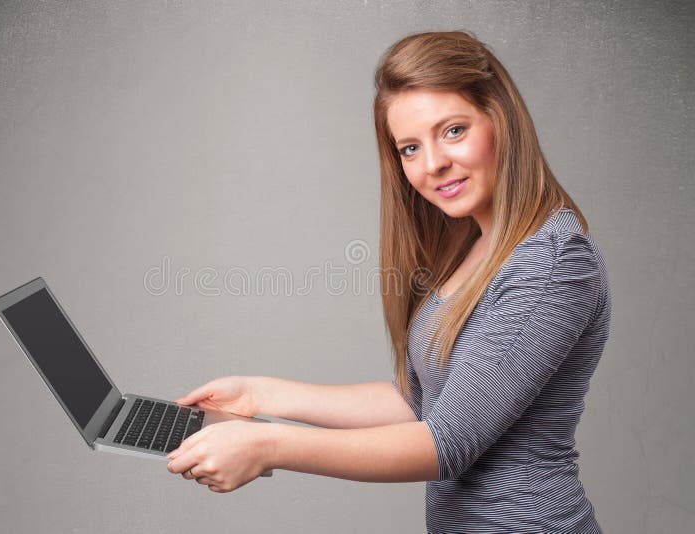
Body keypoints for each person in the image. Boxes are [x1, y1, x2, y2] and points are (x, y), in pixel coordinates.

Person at [166, 30, 611, 533]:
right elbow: (423, 402)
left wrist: (268, 444)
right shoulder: (477, 247)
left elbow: (446, 442)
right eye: (409, 148)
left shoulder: (551, 261)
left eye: (454, 131)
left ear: (501, 119)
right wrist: (260, 396)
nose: (433, 164)